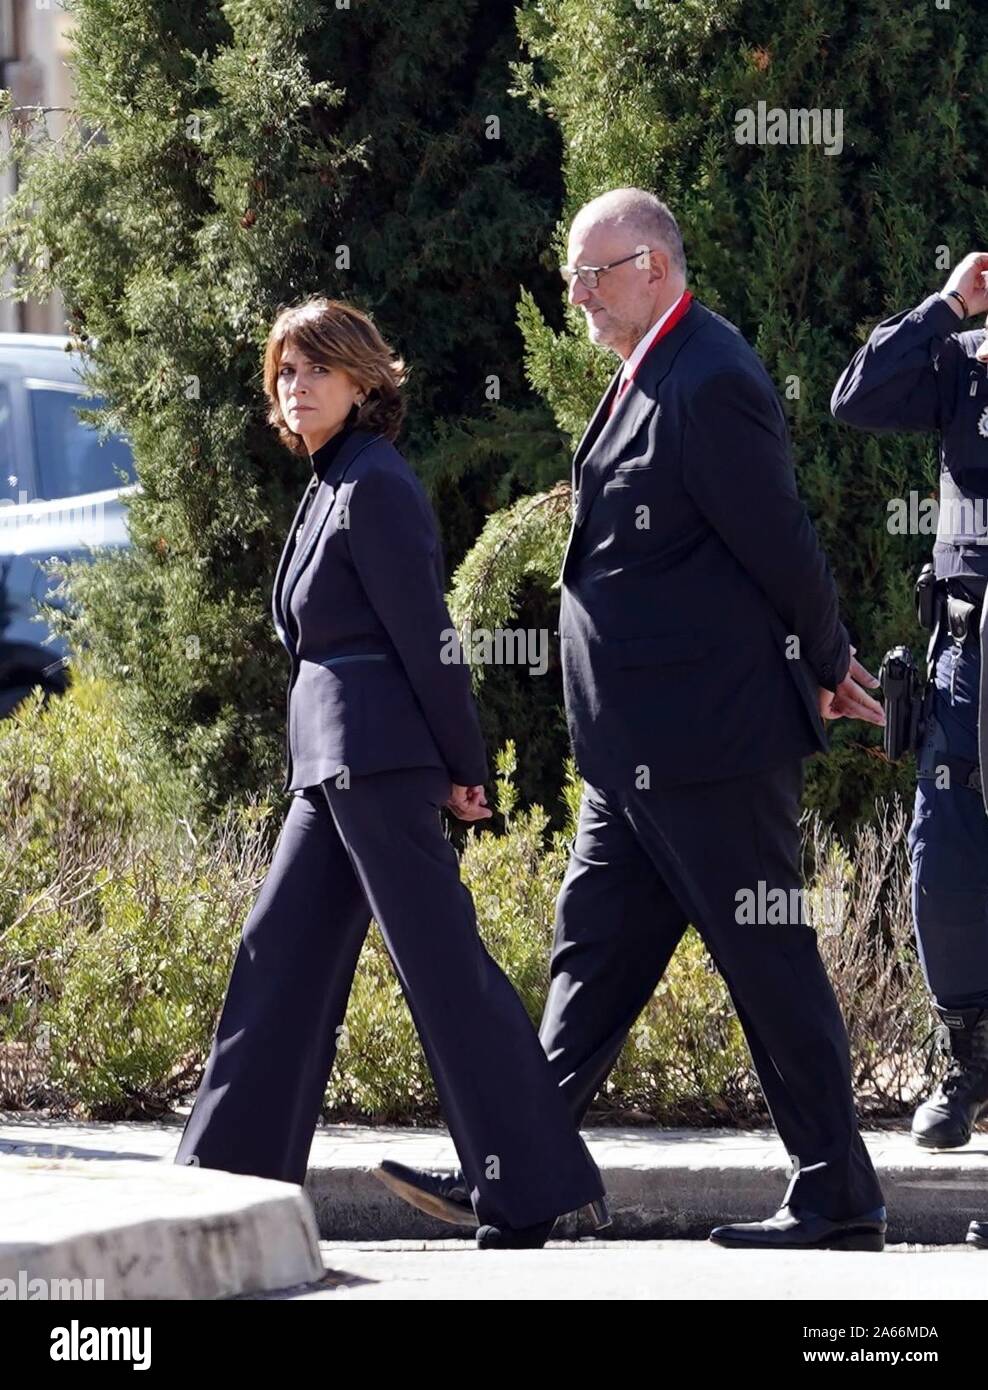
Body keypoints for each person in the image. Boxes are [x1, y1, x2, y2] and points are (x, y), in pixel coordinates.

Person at [374, 188, 889, 1251]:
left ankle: (838, 1192)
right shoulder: (646, 370)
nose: (576, 296)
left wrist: (829, 658)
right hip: (635, 756)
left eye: (592, 274)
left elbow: (780, 541)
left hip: (713, 746)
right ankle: (512, 1177)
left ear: (653, 266)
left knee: (767, 961)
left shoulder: (711, 374)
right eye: (572, 275)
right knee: (590, 964)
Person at [173, 295, 608, 1250]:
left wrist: (464, 764)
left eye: (318, 369)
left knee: (442, 974)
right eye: (286, 372)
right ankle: (225, 1187)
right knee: (274, 963)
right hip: (331, 771)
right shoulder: (331, 481)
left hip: (378, 764)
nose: (297, 387)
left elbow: (429, 639)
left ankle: (525, 1185)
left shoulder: (376, 483)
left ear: (364, 381)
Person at [831, 252, 988, 1250]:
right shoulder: (963, 359)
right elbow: (856, 396)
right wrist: (944, 306)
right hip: (970, 647)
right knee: (946, 851)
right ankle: (962, 1063)